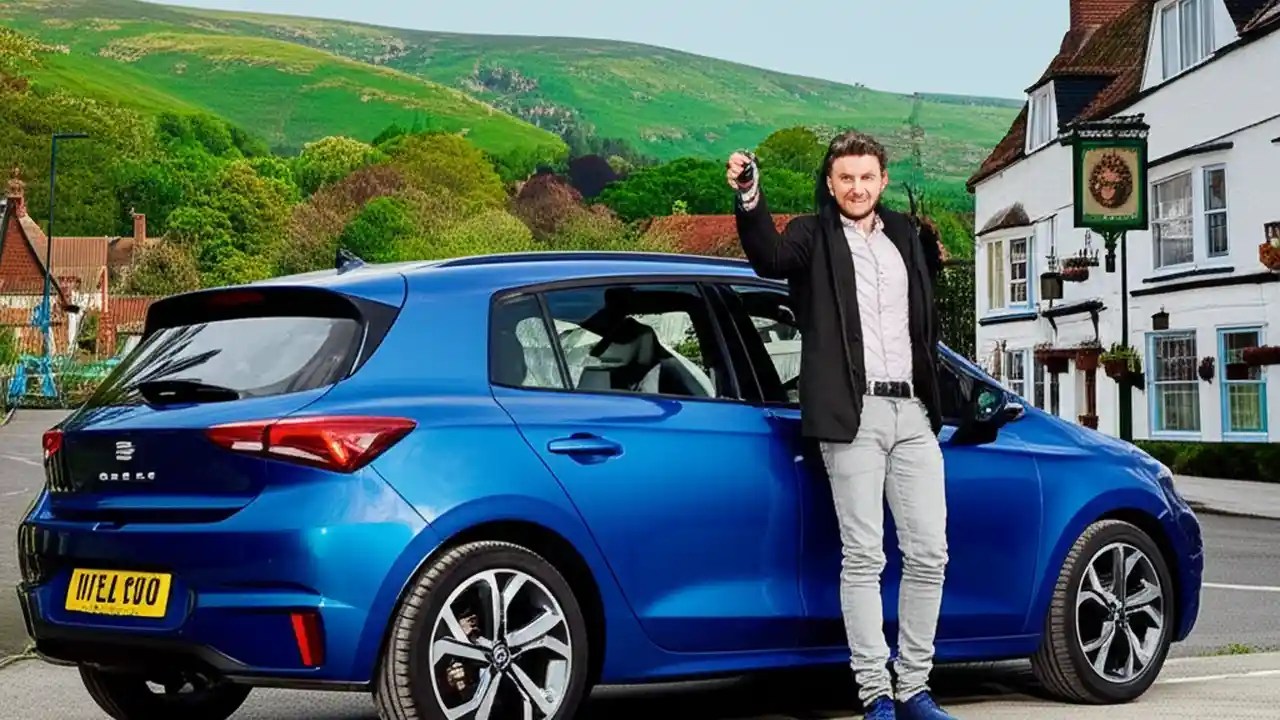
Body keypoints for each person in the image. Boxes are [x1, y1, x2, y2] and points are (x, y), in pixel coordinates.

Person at [727, 131, 954, 720]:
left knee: (930, 552)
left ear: (881, 180)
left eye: (867, 177)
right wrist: (750, 193)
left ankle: (915, 687)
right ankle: (875, 692)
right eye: (845, 177)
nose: (857, 187)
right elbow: (767, 258)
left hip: (913, 413)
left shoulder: (905, 235)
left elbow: (924, 324)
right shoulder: (812, 235)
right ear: (831, 182)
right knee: (865, 556)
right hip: (851, 414)